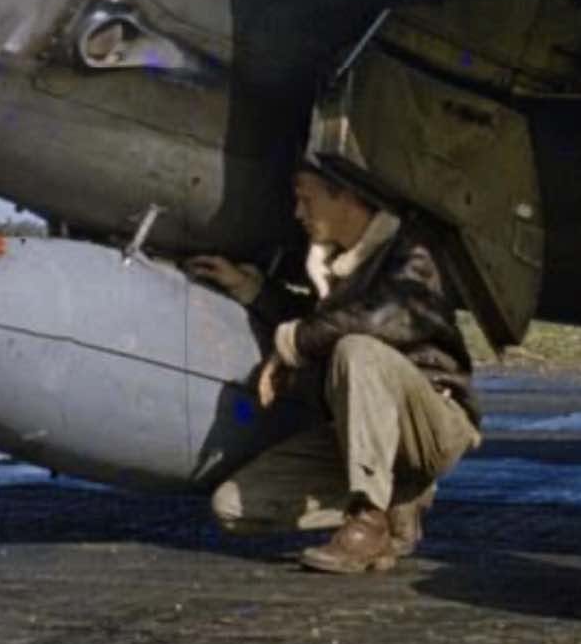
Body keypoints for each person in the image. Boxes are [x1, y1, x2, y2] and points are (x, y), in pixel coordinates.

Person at [184, 164, 480, 574]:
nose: (297, 213)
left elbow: (378, 321)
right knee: (233, 506)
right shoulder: (336, 270)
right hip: (364, 436)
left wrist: (291, 346)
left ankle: (367, 520)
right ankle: (397, 500)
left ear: (347, 198)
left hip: (431, 422)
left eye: (307, 199)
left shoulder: (414, 250)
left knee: (357, 351)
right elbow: (321, 324)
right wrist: (250, 290)